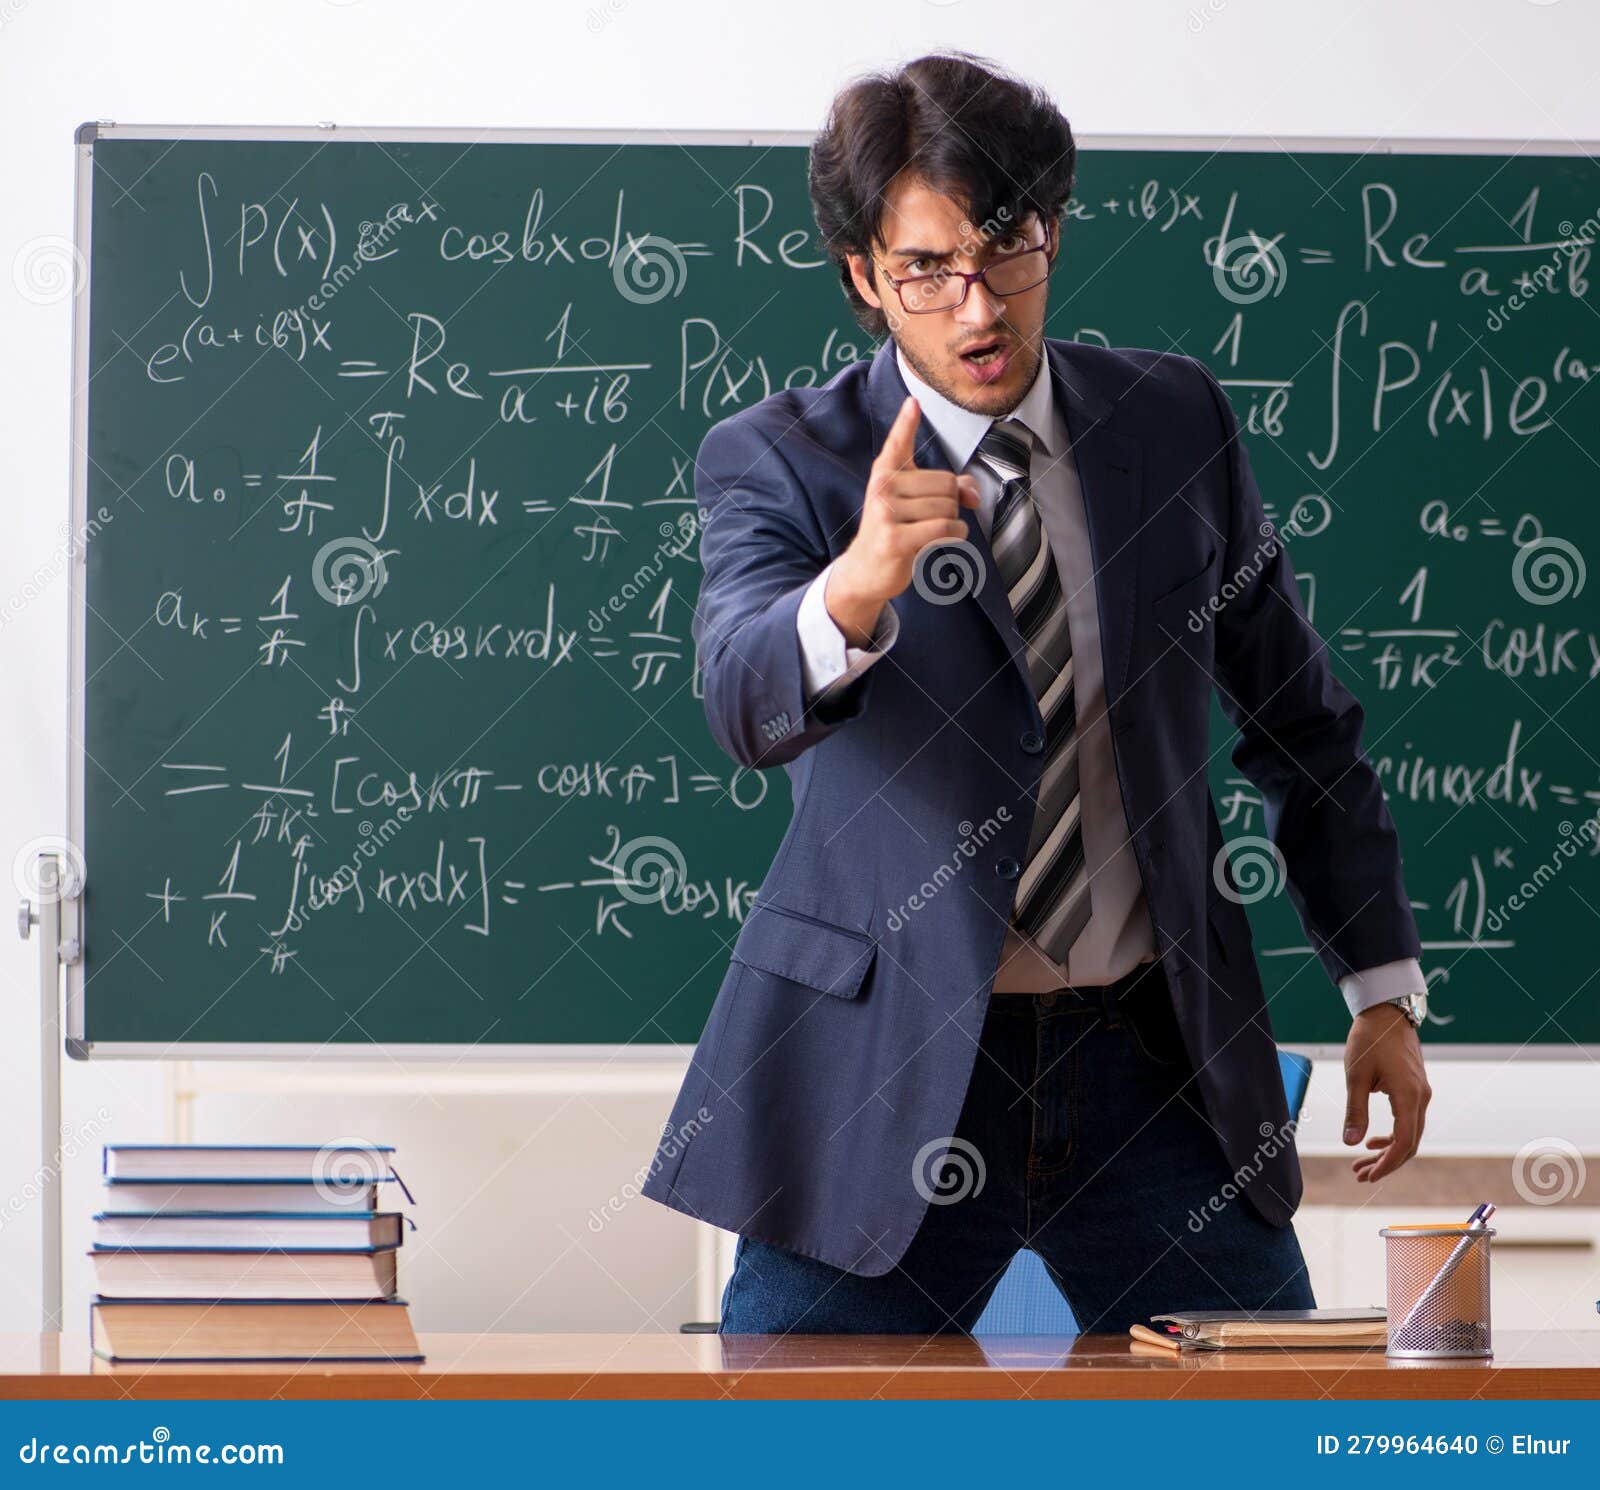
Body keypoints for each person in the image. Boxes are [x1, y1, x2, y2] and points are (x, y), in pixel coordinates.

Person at [642, 50, 1431, 1335]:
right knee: (790, 1429)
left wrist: (1380, 991)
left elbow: (1302, 724)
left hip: (1151, 1068)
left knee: (1265, 1420)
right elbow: (742, 701)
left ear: (1050, 230)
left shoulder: (1172, 421)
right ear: (863, 276)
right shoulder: (779, 458)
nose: (977, 307)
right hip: (881, 1069)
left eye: (1004, 247)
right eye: (925, 268)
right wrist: (852, 588)